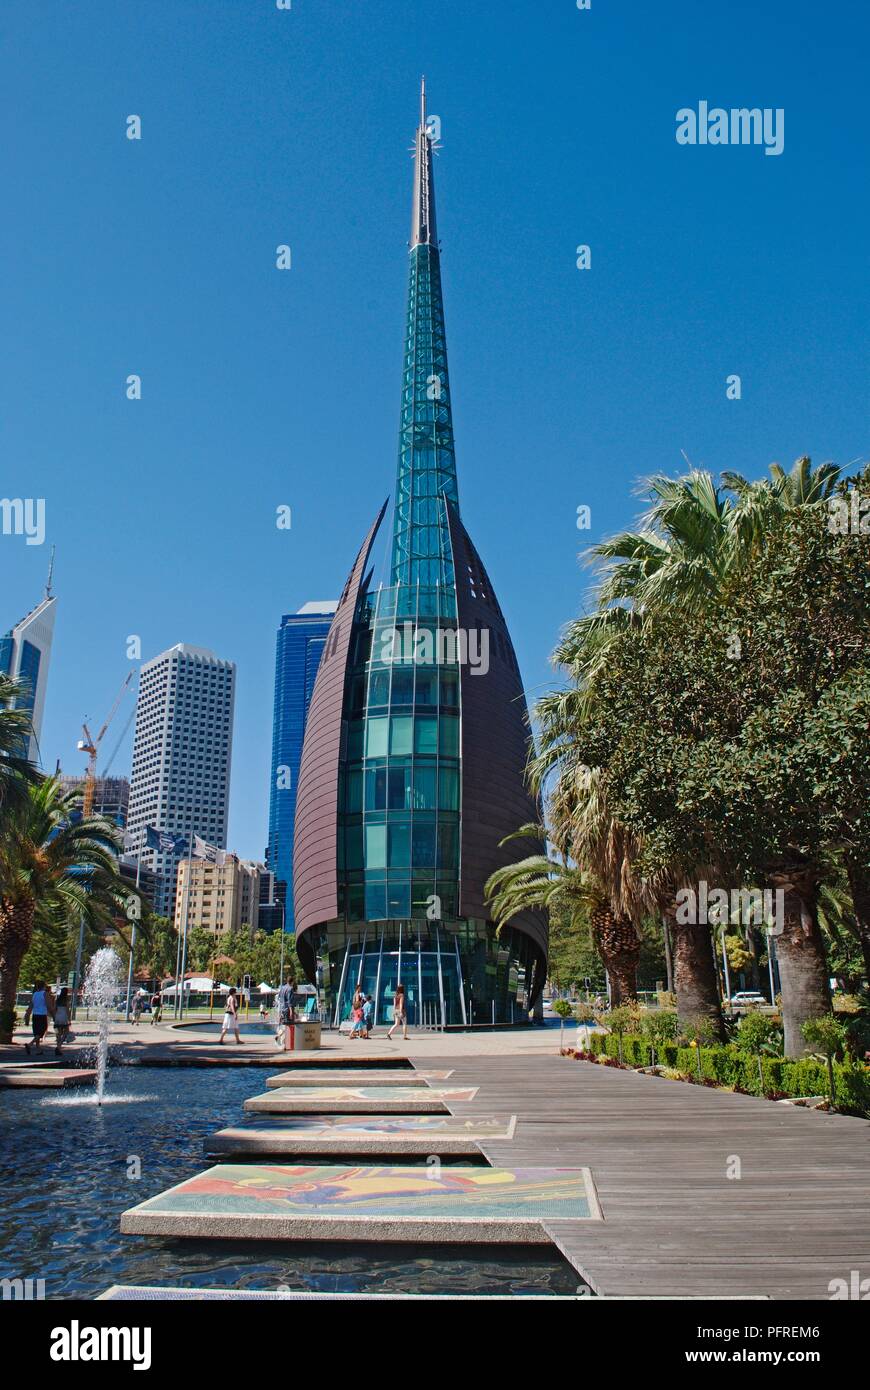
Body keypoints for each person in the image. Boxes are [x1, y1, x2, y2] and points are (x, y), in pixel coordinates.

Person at [24, 980, 54, 1055]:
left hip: (35, 1015)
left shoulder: (35, 994)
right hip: (42, 1015)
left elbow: (31, 1006)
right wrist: (53, 1014)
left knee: (36, 1032)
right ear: (44, 986)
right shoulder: (45, 994)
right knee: (41, 1032)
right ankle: (30, 1045)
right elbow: (49, 1006)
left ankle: (38, 1049)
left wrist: (27, 1015)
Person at [275, 975, 296, 1048]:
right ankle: (282, 1041)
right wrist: (291, 1011)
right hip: (287, 1009)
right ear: (292, 982)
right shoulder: (290, 989)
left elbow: (280, 999)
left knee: (284, 1025)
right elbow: (290, 1001)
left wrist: (280, 1012)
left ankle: (283, 1042)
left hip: (282, 1009)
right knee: (287, 1026)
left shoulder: (282, 988)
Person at [53, 988, 71, 1056]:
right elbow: (67, 1010)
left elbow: (54, 1009)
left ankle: (58, 1047)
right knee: (66, 1032)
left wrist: (55, 1017)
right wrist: (69, 1020)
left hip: (58, 1016)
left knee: (58, 1034)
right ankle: (59, 1046)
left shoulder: (57, 1000)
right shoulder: (66, 1000)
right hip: (64, 1016)